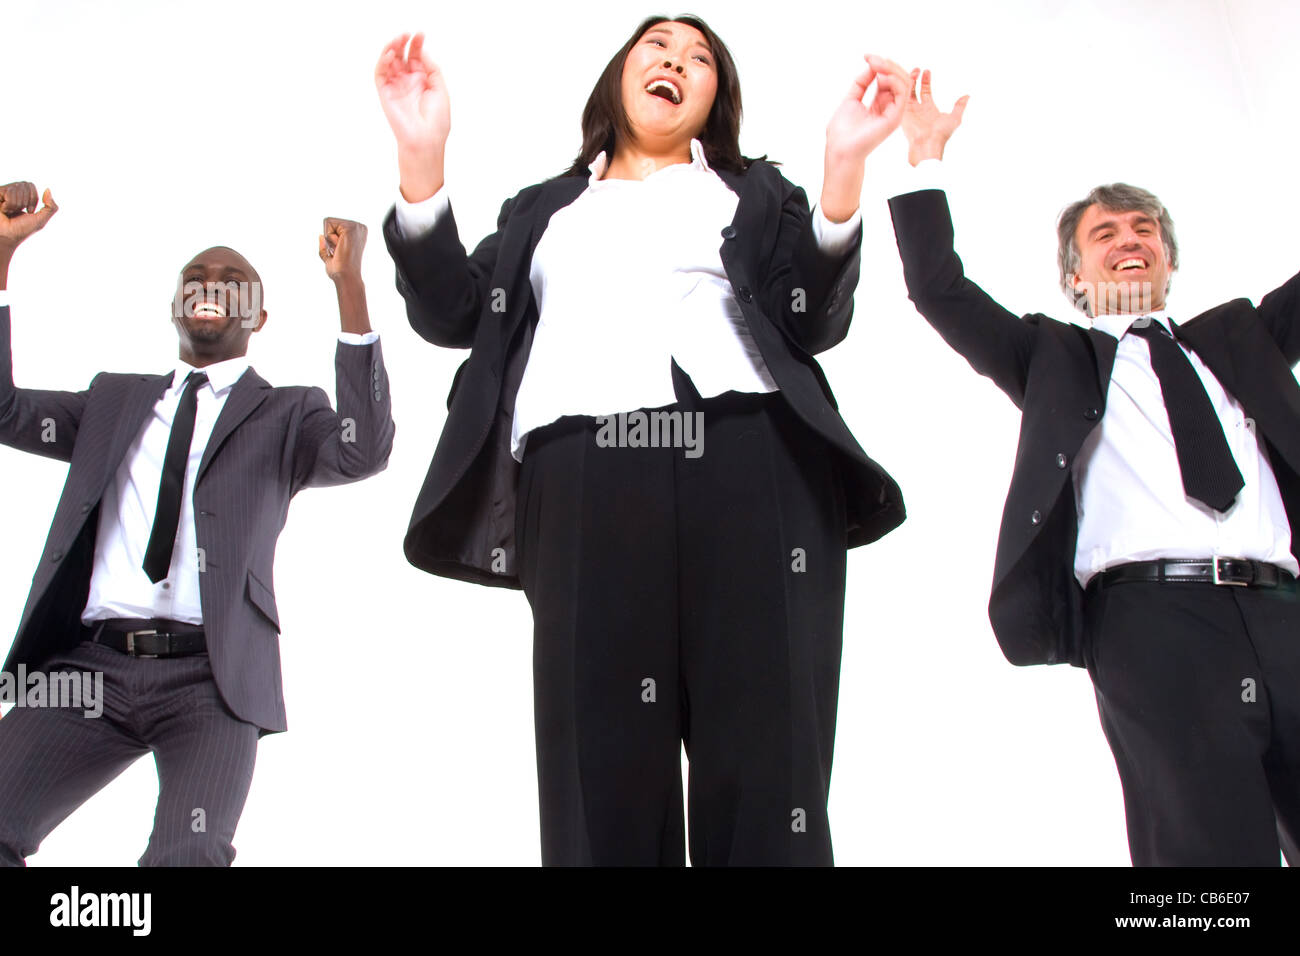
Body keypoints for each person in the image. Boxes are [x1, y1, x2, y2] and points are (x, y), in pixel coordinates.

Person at [376, 17, 908, 865]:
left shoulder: (755, 195)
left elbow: (813, 316)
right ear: (619, 76)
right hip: (584, 475)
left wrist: (843, 169)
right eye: (657, 46)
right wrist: (421, 161)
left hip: (748, 456)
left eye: (700, 59)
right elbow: (453, 314)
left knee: (769, 767)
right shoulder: (541, 210)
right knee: (601, 776)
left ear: (714, 100)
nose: (677, 61)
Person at [888, 70, 1300, 865]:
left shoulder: (1238, 340)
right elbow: (939, 289)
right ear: (1076, 277)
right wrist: (927, 158)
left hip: (1286, 608)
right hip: (1155, 624)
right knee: (1205, 859)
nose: (1129, 239)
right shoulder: (1051, 357)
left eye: (1144, 228)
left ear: (1169, 264)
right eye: (1104, 234)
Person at [0, 182, 395, 865]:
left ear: (259, 316)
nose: (212, 285)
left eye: (233, 281)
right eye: (196, 278)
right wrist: (1, 255)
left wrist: (349, 288)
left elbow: (363, 450)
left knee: (188, 853)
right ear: (176, 306)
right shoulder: (112, 401)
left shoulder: (287, 415)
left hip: (211, 681)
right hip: (88, 668)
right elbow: (5, 409)